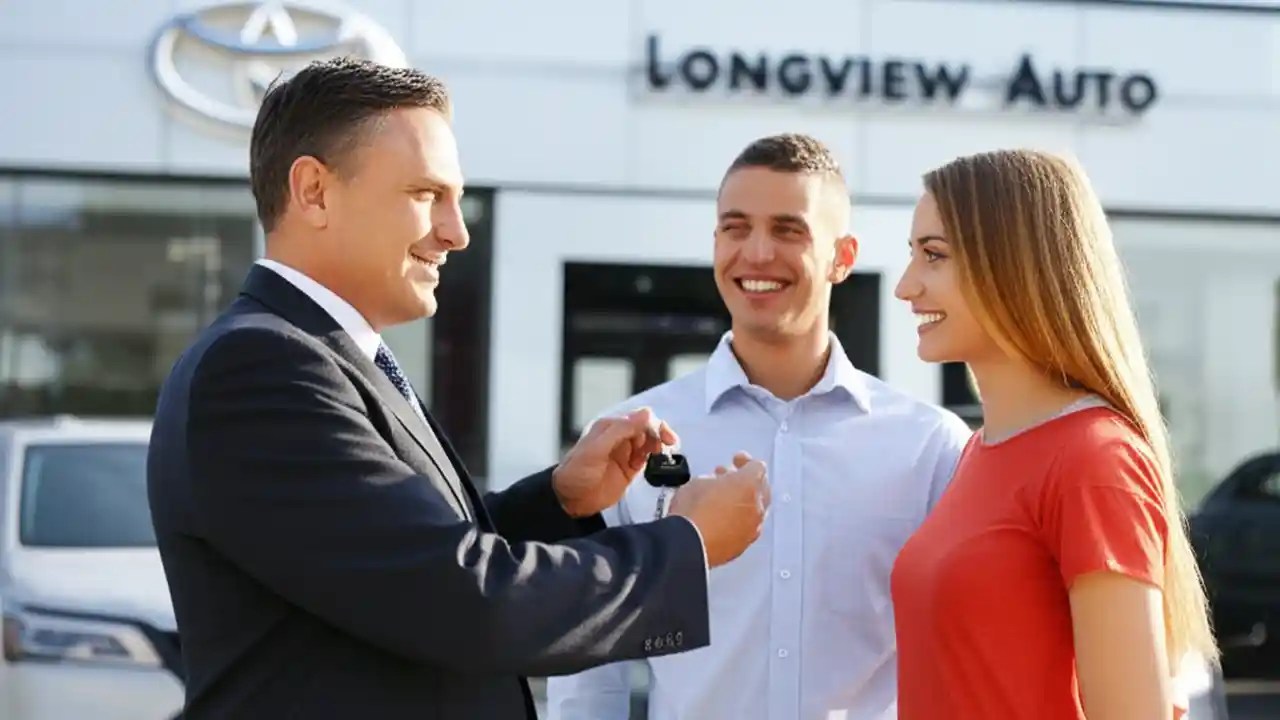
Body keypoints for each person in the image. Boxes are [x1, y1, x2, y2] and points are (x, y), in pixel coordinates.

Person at [146, 57, 772, 720]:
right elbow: (465, 602)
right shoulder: (261, 367)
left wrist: (560, 498)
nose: (457, 231)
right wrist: (687, 545)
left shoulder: (323, 356)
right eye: (426, 195)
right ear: (314, 192)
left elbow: (401, 563)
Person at [545, 134, 972, 720]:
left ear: (841, 258)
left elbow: (961, 653)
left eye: (788, 230)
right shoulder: (627, 439)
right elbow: (592, 664)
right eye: (736, 227)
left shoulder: (931, 447)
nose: (757, 252)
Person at [889, 148, 1219, 720]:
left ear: (1012, 265)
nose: (905, 286)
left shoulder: (1094, 459)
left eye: (933, 256)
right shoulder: (980, 451)